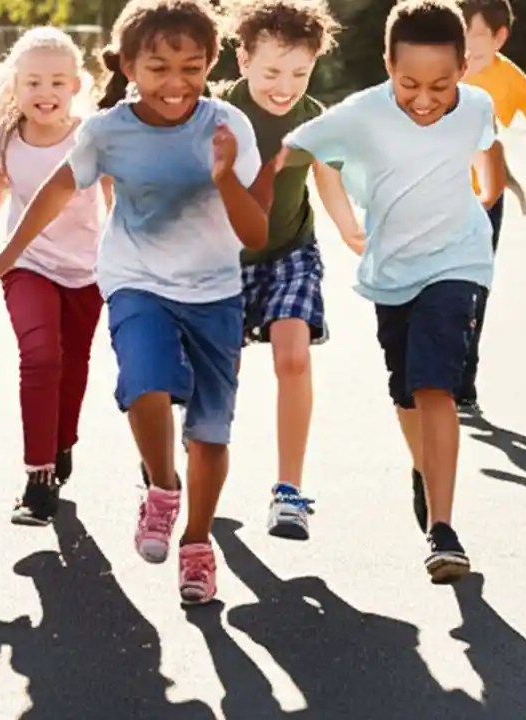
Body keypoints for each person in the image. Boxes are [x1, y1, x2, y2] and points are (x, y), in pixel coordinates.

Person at [0, 0, 270, 605]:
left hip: (215, 292)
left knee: (210, 433)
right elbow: (58, 189)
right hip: (137, 280)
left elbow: (256, 234)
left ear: (212, 63)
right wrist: (8, 252)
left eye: (191, 67)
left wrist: (225, 178)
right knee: (143, 383)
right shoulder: (106, 130)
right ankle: (162, 489)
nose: (176, 82)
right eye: (157, 67)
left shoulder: (227, 127)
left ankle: (197, 545)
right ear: (128, 66)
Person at [276, 0, 504, 583]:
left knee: (435, 385)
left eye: (441, 84)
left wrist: (492, 192)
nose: (425, 99)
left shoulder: (476, 104)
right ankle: (424, 472)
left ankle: (444, 530)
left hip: (458, 261)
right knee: (406, 392)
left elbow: (487, 142)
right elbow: (296, 147)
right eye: (409, 84)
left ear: (463, 69)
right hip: (393, 271)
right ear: (386, 65)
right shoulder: (362, 114)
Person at [0, 27, 111, 525]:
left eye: (58, 83)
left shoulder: (92, 137)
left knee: (74, 365)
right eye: (34, 83)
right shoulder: (4, 138)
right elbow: (1, 187)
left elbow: (112, 197)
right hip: (25, 263)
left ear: (76, 86)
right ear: (15, 86)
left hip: (87, 269)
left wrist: (125, 254)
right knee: (41, 357)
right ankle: (38, 476)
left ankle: (63, 442)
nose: (46, 94)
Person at [222, 0, 359, 541]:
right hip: (221, 261)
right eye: (272, 72)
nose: (285, 86)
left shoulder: (312, 120)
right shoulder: (218, 113)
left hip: (290, 253)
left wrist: (352, 232)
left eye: (299, 73)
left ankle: (289, 492)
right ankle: (198, 469)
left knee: (294, 358)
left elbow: (328, 182)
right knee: (219, 376)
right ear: (243, 60)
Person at [456, 0, 526, 413]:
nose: (466, 44)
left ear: (499, 37)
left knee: (475, 287)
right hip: (434, 195)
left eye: (476, 35)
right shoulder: (441, 66)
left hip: (484, 200)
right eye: (459, 32)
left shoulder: (510, 79)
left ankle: (464, 379)